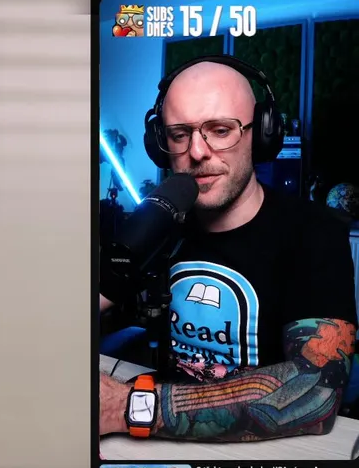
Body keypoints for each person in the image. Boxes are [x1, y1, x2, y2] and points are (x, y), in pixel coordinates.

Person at [98, 59, 357, 443]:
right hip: (160, 440)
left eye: (220, 131)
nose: (197, 152)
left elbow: (315, 389)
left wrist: (127, 406)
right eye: (179, 134)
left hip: (266, 452)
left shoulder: (314, 232)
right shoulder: (160, 223)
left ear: (262, 134)